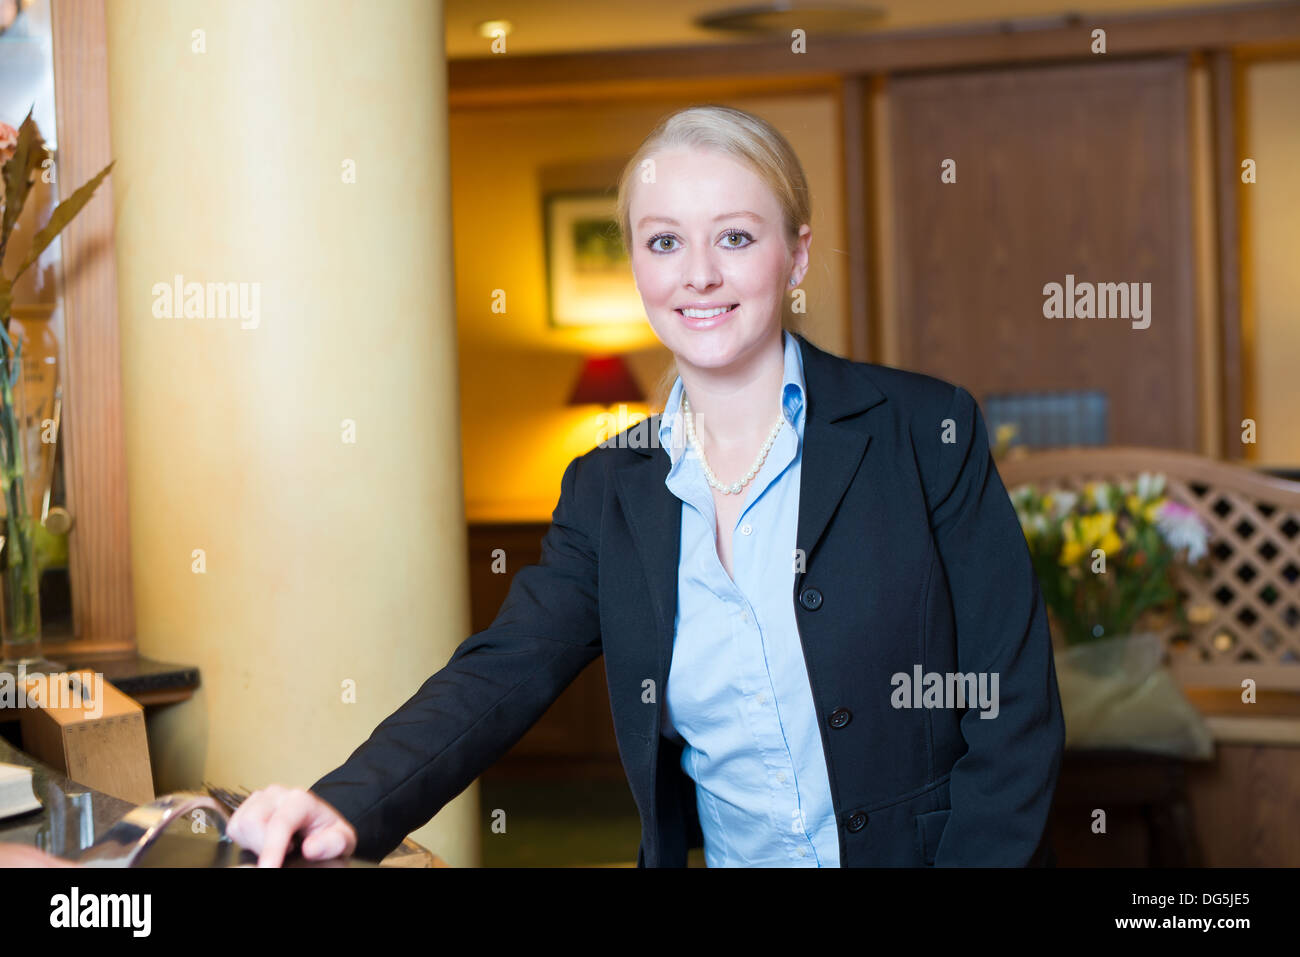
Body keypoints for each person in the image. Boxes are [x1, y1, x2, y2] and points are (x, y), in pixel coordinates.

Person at [228, 104, 1065, 868]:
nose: (698, 274)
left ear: (797, 254)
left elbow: (1013, 709)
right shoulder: (606, 488)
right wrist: (345, 802)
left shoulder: (926, 431)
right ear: (635, 262)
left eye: (735, 237)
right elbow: (501, 672)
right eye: (665, 242)